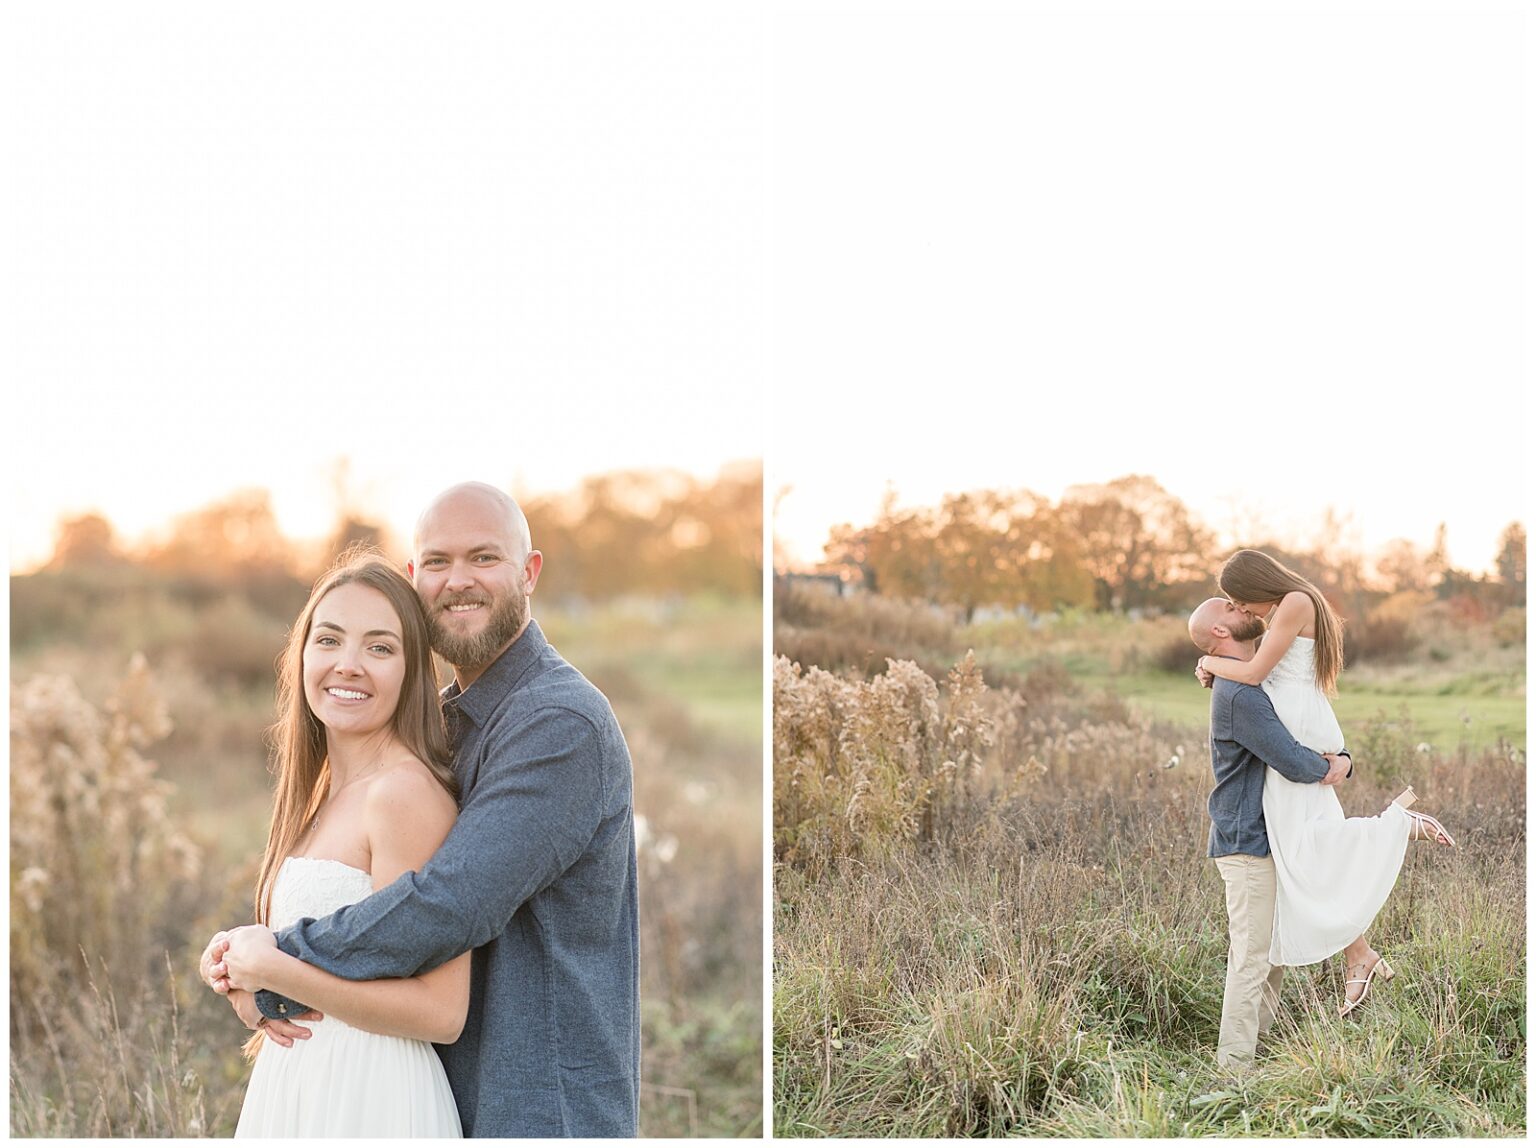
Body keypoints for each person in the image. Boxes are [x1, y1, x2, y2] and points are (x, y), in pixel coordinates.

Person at [202, 482, 639, 1138]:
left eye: (483, 557)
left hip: (541, 1107)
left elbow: (449, 905)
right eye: (437, 562)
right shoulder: (439, 726)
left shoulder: (558, 722)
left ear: (529, 572)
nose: (458, 580)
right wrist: (240, 956)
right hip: (437, 1095)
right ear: (415, 578)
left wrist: (275, 963)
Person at [213, 553, 466, 1136]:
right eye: (329, 640)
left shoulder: (403, 795)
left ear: (411, 671)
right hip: (300, 1088)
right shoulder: (320, 793)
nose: (347, 665)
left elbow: (442, 1011)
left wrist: (275, 972)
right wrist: (236, 970)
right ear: (302, 654)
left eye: (379, 647)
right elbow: (322, 951)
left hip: (371, 1096)